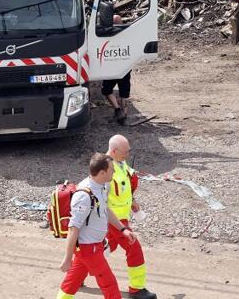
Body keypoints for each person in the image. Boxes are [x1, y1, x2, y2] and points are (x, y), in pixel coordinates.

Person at [57, 153, 136, 299]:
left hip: (93, 246)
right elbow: (73, 229)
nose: (114, 171)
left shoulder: (102, 186)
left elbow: (105, 209)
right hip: (88, 249)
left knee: (72, 282)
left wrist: (123, 229)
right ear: (102, 173)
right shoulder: (84, 196)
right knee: (109, 284)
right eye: (111, 169)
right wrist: (67, 258)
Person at [105, 135, 156, 299]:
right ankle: (136, 289)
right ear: (114, 151)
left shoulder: (120, 162)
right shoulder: (105, 169)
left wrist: (132, 201)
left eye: (128, 151)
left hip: (120, 217)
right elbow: (101, 198)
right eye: (125, 152)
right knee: (134, 249)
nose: (127, 154)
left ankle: (78, 271)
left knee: (104, 248)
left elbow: (124, 186)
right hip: (114, 219)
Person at [102, 15, 131, 125]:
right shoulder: (128, 34)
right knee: (124, 93)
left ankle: (118, 111)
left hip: (112, 68)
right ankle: (123, 116)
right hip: (124, 68)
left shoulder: (107, 34)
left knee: (107, 90)